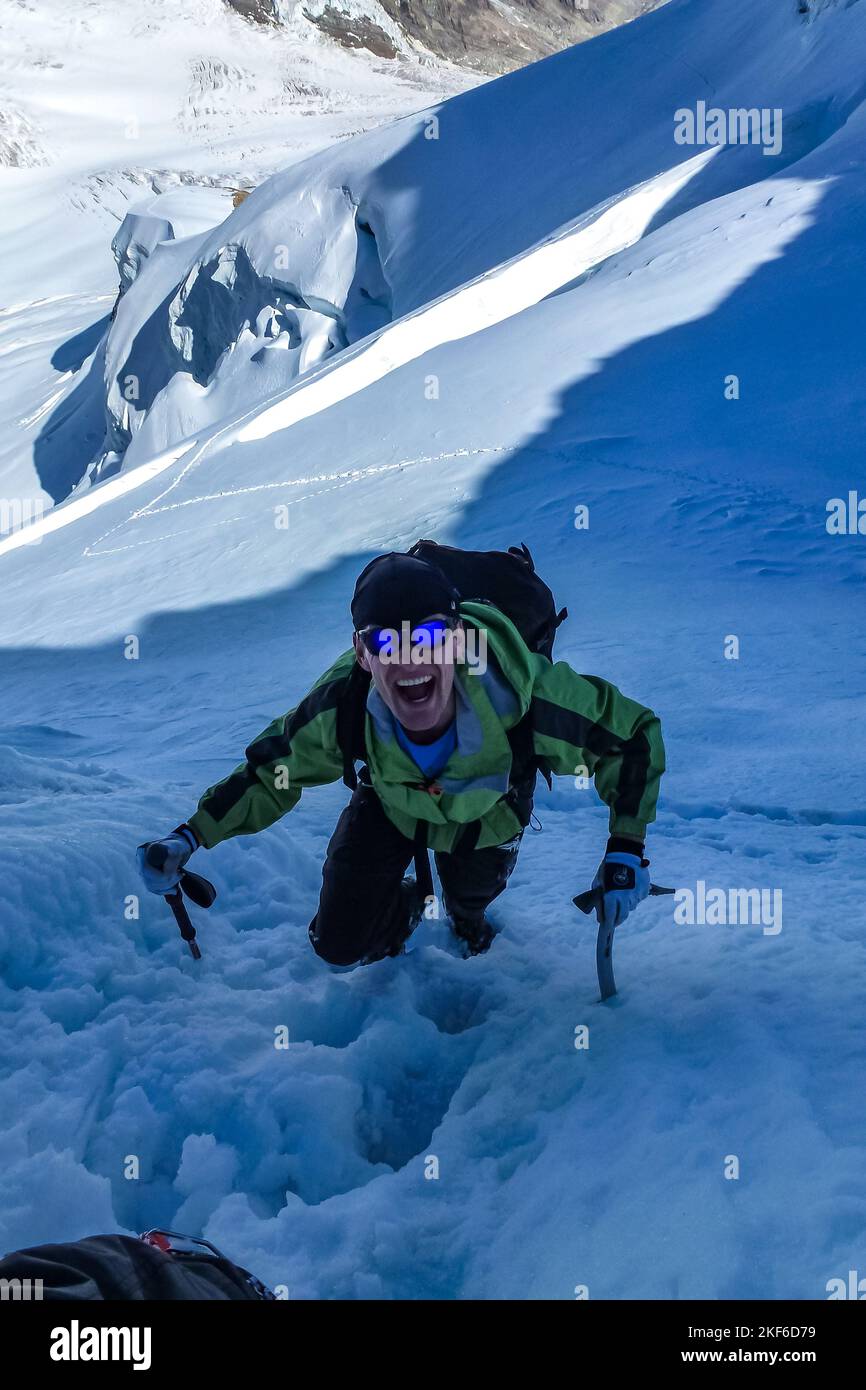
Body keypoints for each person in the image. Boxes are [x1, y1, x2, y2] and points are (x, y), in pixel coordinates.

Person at [138, 550, 665, 963]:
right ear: (363, 654)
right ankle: (405, 910)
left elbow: (629, 738)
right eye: (386, 641)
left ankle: (465, 920)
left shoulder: (524, 695)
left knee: (468, 905)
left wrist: (625, 848)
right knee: (339, 943)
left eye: (431, 633)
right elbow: (272, 770)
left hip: (489, 814)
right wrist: (189, 836)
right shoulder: (344, 705)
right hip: (393, 806)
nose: (411, 655)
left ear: (457, 638)